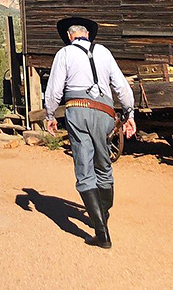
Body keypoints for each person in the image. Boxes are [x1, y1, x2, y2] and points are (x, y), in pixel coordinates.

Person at [44, 16, 136, 249]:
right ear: (87, 34)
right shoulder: (104, 51)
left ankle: (101, 232)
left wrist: (50, 115)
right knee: (104, 166)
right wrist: (129, 114)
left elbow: (54, 88)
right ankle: (102, 215)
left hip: (78, 110)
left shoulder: (64, 54)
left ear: (69, 36)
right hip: (104, 112)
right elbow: (121, 86)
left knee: (84, 169)